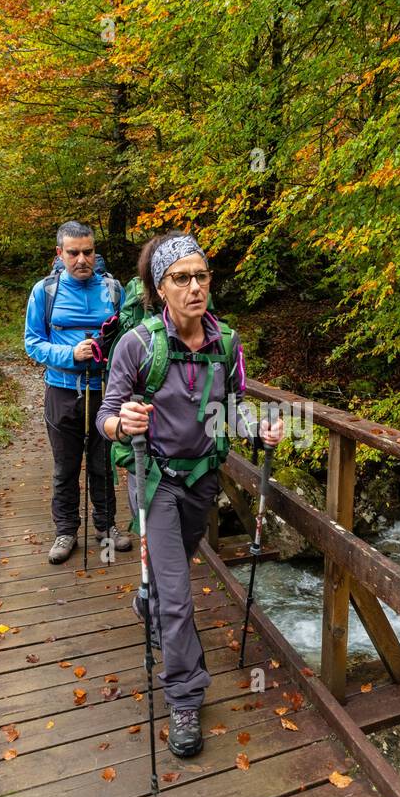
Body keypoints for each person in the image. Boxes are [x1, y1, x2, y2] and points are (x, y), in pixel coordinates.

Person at [96, 232, 284, 757]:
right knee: (178, 597)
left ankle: (147, 598)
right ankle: (184, 694)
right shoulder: (137, 344)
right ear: (160, 288)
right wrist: (121, 424)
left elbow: (234, 404)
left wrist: (256, 429)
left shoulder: (227, 342)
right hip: (153, 479)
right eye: (182, 278)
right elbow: (105, 414)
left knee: (169, 573)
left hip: (203, 477)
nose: (196, 286)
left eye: (202, 275)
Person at [24, 220, 132, 563]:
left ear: (95, 251)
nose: (81, 259)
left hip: (105, 391)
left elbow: (128, 338)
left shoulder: (113, 290)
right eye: (73, 253)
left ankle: (106, 527)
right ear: (60, 254)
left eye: (88, 251)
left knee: (103, 464)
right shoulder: (45, 292)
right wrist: (69, 354)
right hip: (62, 390)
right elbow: (32, 343)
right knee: (65, 467)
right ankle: (66, 530)